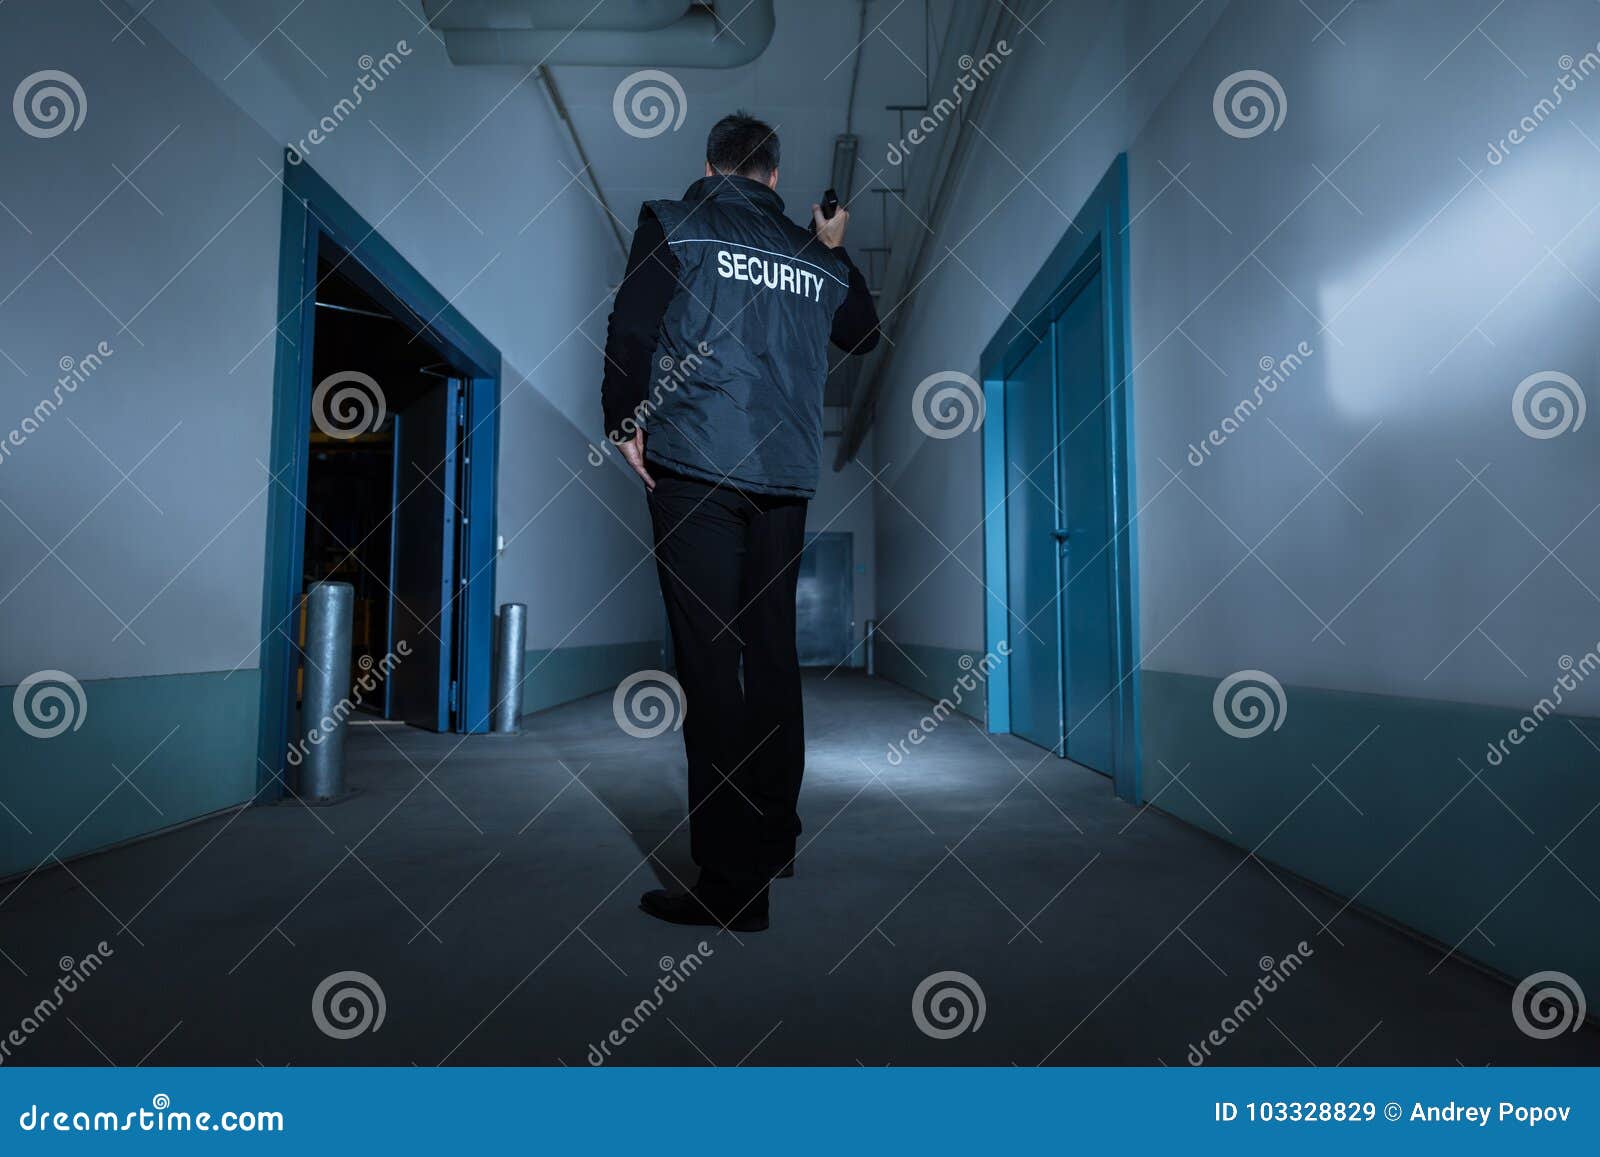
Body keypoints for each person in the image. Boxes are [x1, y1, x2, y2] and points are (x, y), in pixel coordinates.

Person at [600, 112, 880, 932]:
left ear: (711, 165)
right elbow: (863, 332)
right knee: (772, 656)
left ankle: (732, 883)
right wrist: (831, 245)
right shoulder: (806, 250)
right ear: (774, 176)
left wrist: (625, 420)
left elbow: (633, 326)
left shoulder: (675, 221)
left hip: (694, 467)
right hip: (785, 477)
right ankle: (774, 837)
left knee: (711, 665)